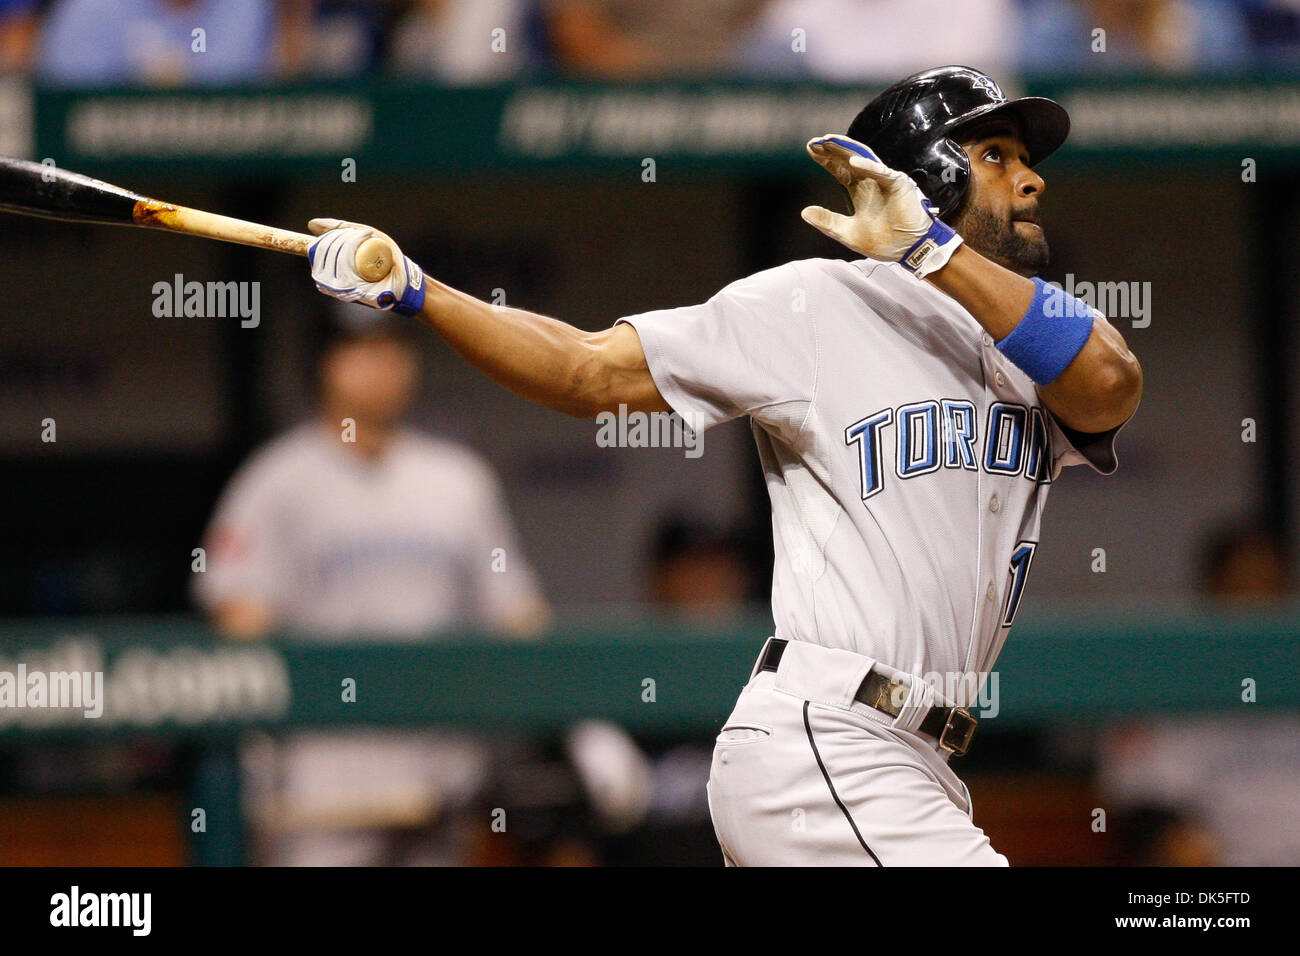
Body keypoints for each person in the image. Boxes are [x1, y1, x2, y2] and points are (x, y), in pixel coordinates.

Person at [303, 65, 1143, 866]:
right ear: (927, 177)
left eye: (1027, 161)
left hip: (918, 761)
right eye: (994, 157)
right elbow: (589, 371)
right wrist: (420, 291)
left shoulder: (1037, 341)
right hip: (830, 740)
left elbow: (1111, 386)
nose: (1031, 181)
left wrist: (932, 252)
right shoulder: (818, 304)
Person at [193, 311, 549, 865]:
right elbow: (239, 620)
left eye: (393, 349)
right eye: (360, 350)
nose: (382, 366)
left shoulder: (458, 480)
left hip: (440, 782)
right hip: (321, 788)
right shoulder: (275, 480)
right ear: (326, 365)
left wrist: (580, 728)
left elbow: (518, 615)